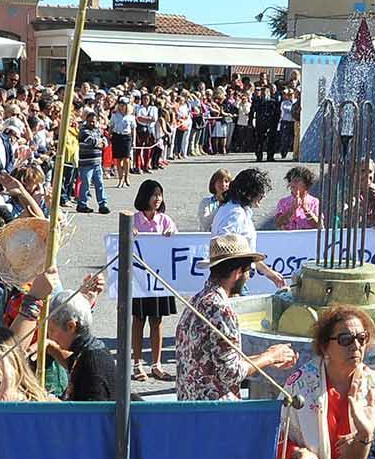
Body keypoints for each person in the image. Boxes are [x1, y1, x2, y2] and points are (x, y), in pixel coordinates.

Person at [278, 304, 375, 459]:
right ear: (325, 347)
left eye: (361, 338)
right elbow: (273, 436)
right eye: (345, 339)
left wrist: (363, 442)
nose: (356, 346)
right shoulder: (298, 384)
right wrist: (297, 453)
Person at [174, 234, 296, 401]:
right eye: (249, 271)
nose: (249, 277)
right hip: (214, 413)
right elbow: (231, 373)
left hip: (190, 406)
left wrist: (267, 358)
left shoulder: (197, 300)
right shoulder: (221, 309)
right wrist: (270, 356)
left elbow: (220, 361)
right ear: (238, 272)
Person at [126, 179, 179, 381]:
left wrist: (171, 235)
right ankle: (137, 362)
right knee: (138, 320)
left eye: (160, 195)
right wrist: (130, 234)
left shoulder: (165, 220)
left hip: (159, 279)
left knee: (157, 321)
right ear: (144, 196)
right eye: (153, 195)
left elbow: (177, 242)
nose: (157, 199)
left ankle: (155, 364)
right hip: (139, 279)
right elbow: (122, 242)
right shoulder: (134, 219)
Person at [209, 168, 269, 240]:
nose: (264, 196)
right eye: (261, 192)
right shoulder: (235, 213)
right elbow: (223, 243)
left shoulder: (233, 208)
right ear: (249, 192)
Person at [272, 166, 321, 231]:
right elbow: (278, 224)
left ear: (306, 184)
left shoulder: (314, 202)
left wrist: (306, 210)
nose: (292, 183)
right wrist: (292, 209)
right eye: (291, 181)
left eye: (296, 181)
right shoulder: (283, 202)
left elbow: (319, 225)